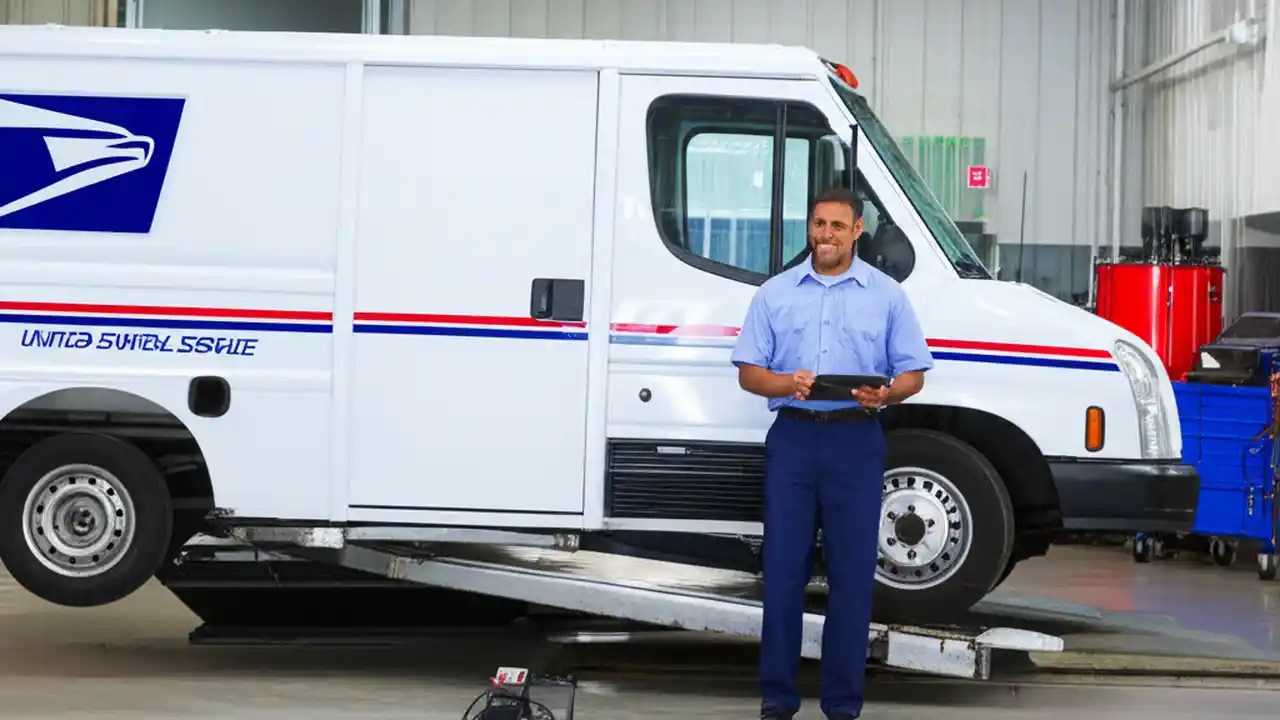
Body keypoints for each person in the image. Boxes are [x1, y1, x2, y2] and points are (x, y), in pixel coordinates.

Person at [730, 186, 933, 720]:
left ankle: (842, 705)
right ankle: (777, 700)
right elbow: (749, 373)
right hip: (793, 441)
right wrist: (785, 383)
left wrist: (885, 394)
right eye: (819, 224)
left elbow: (912, 373)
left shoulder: (887, 296)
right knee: (782, 574)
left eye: (838, 226)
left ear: (857, 230)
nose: (826, 235)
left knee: (851, 578)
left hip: (855, 441)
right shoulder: (775, 293)